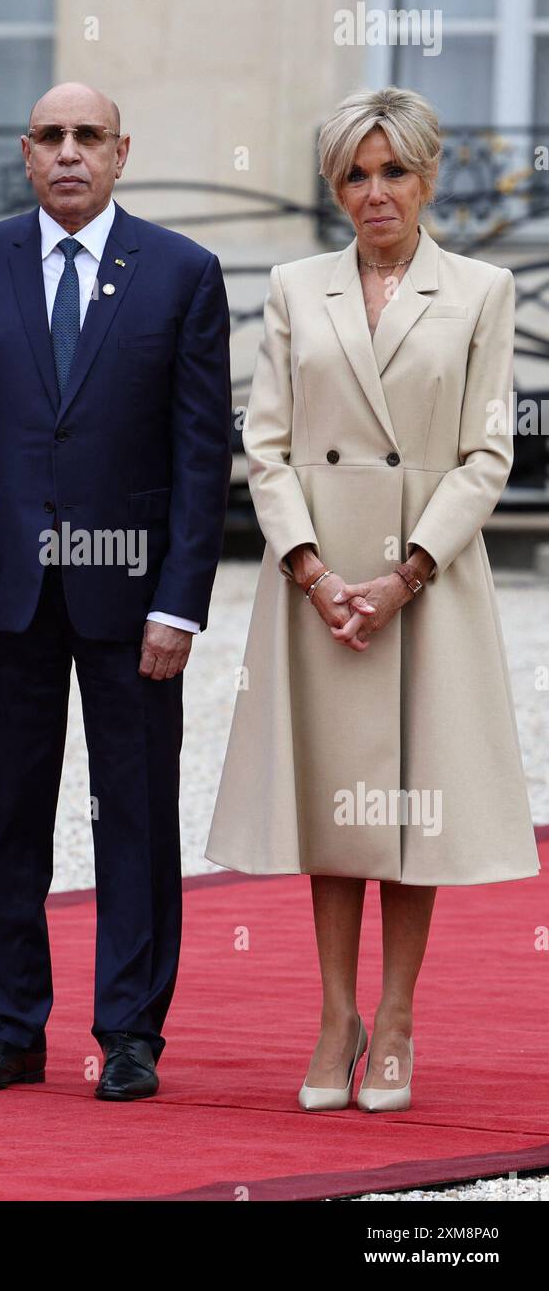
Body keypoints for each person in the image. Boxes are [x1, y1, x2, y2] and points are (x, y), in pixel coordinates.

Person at [206, 86, 539, 1113]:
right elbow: (261, 442)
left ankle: (394, 1017)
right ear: (332, 186)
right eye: (353, 172)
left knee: (411, 801)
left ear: (428, 177)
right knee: (333, 799)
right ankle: (332, 1014)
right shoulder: (294, 287)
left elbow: (487, 452)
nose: (373, 190)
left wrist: (404, 574)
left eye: (392, 169)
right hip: (317, 582)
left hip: (424, 580)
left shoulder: (481, 291)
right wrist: (310, 569)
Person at [0, 82, 231, 1100]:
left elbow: (200, 458)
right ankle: (9, 1026)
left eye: (86, 137)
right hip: (0, 595)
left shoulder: (182, 274)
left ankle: (130, 1032)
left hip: (132, 596)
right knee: (4, 809)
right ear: (23, 153)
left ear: (120, 151)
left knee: (132, 813)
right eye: (49, 137)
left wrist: (178, 600)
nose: (68, 153)